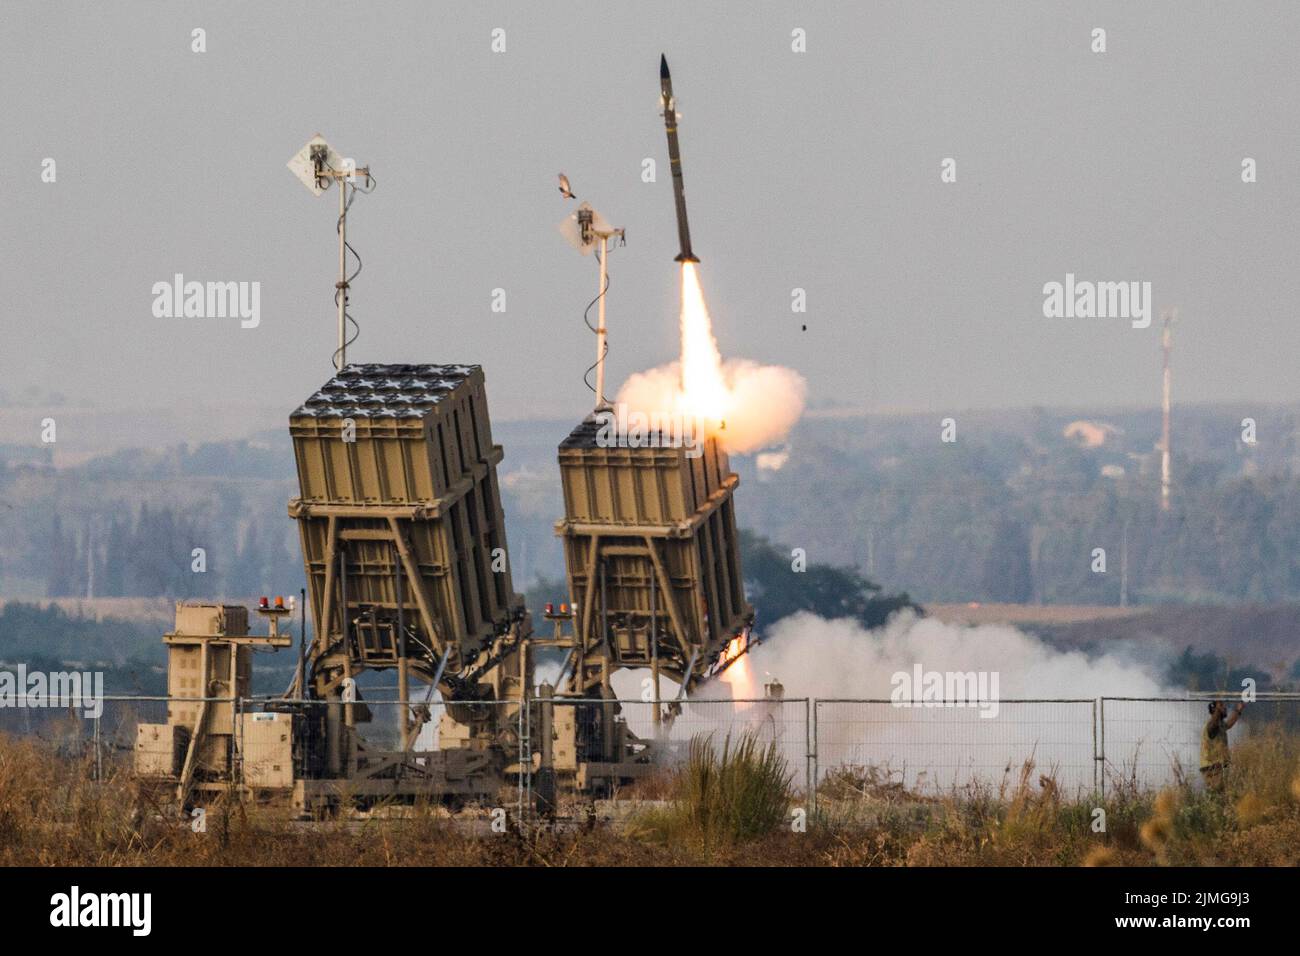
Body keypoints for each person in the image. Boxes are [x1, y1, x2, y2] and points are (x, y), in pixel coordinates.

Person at [1200, 699, 1244, 792]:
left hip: (1217, 766)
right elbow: (1214, 722)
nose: (1225, 708)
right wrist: (1218, 710)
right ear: (1216, 710)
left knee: (1220, 793)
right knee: (1217, 793)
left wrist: (1238, 710)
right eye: (1222, 706)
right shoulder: (1211, 726)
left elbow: (1229, 723)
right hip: (1212, 767)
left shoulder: (1220, 725)